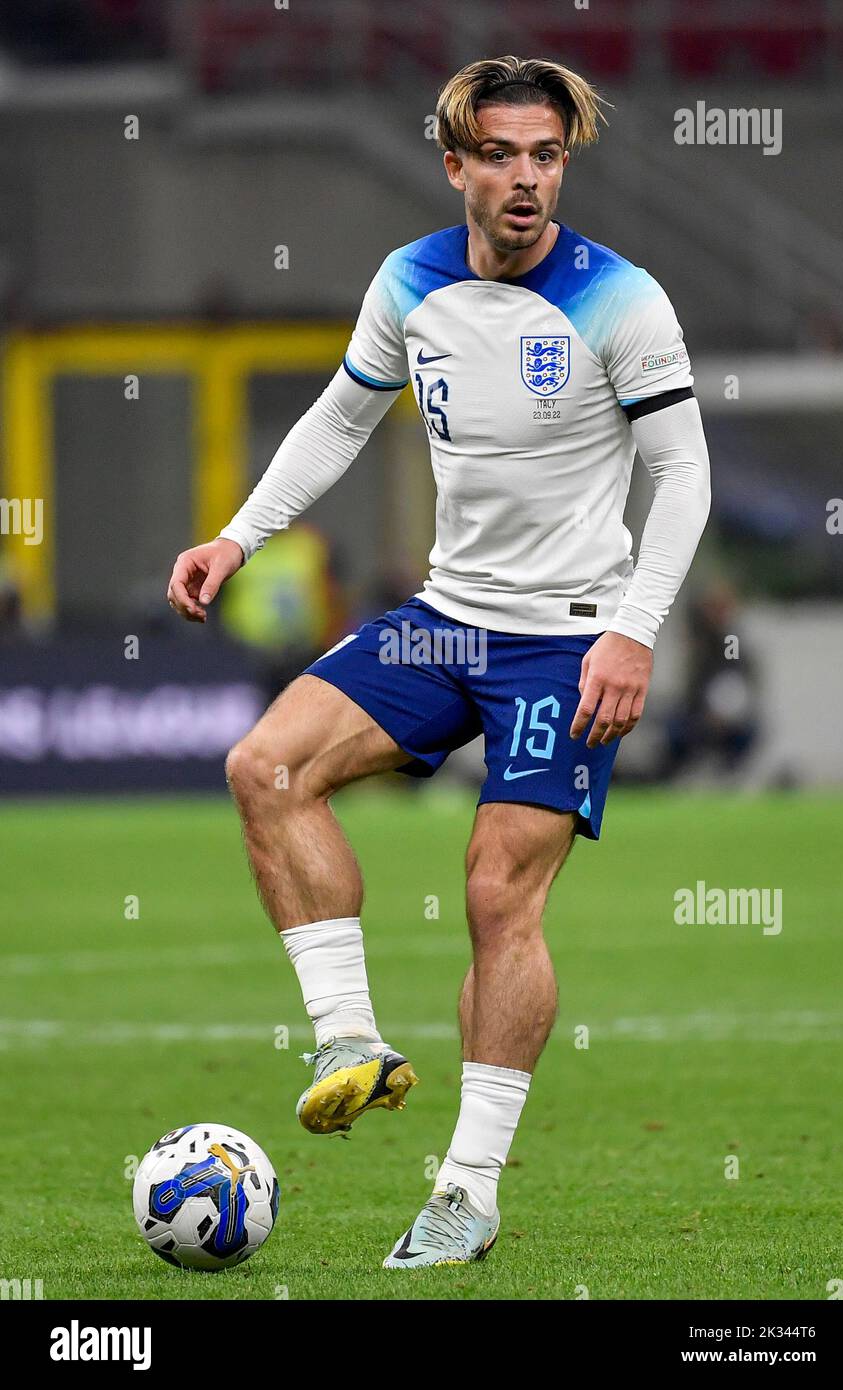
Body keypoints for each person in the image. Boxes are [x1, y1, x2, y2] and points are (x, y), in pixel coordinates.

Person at [166, 55, 711, 1269]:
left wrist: (630, 627)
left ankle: (464, 1193)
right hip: (444, 617)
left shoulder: (621, 299)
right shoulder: (409, 278)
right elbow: (342, 416)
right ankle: (348, 1040)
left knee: (492, 896)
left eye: (547, 156)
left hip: (566, 637)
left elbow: (681, 474)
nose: (527, 179)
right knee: (264, 766)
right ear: (454, 164)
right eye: (503, 155)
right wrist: (237, 535)